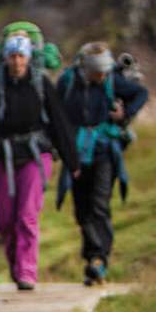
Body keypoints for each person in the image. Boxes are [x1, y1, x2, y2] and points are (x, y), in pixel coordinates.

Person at [0, 32, 78, 291]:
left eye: (21, 56)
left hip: (36, 154)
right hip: (5, 156)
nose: (17, 61)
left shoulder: (41, 83)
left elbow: (59, 122)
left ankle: (27, 272)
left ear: (29, 58)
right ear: (6, 57)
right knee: (5, 221)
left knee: (27, 216)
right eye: (12, 55)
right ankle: (16, 266)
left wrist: (71, 159)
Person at [57, 42, 149, 286]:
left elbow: (142, 94)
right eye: (98, 72)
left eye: (105, 71)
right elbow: (55, 111)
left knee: (100, 205)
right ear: (85, 68)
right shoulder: (67, 83)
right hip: (75, 153)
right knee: (81, 209)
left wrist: (125, 113)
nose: (102, 76)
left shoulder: (111, 81)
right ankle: (92, 258)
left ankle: (99, 259)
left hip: (105, 152)